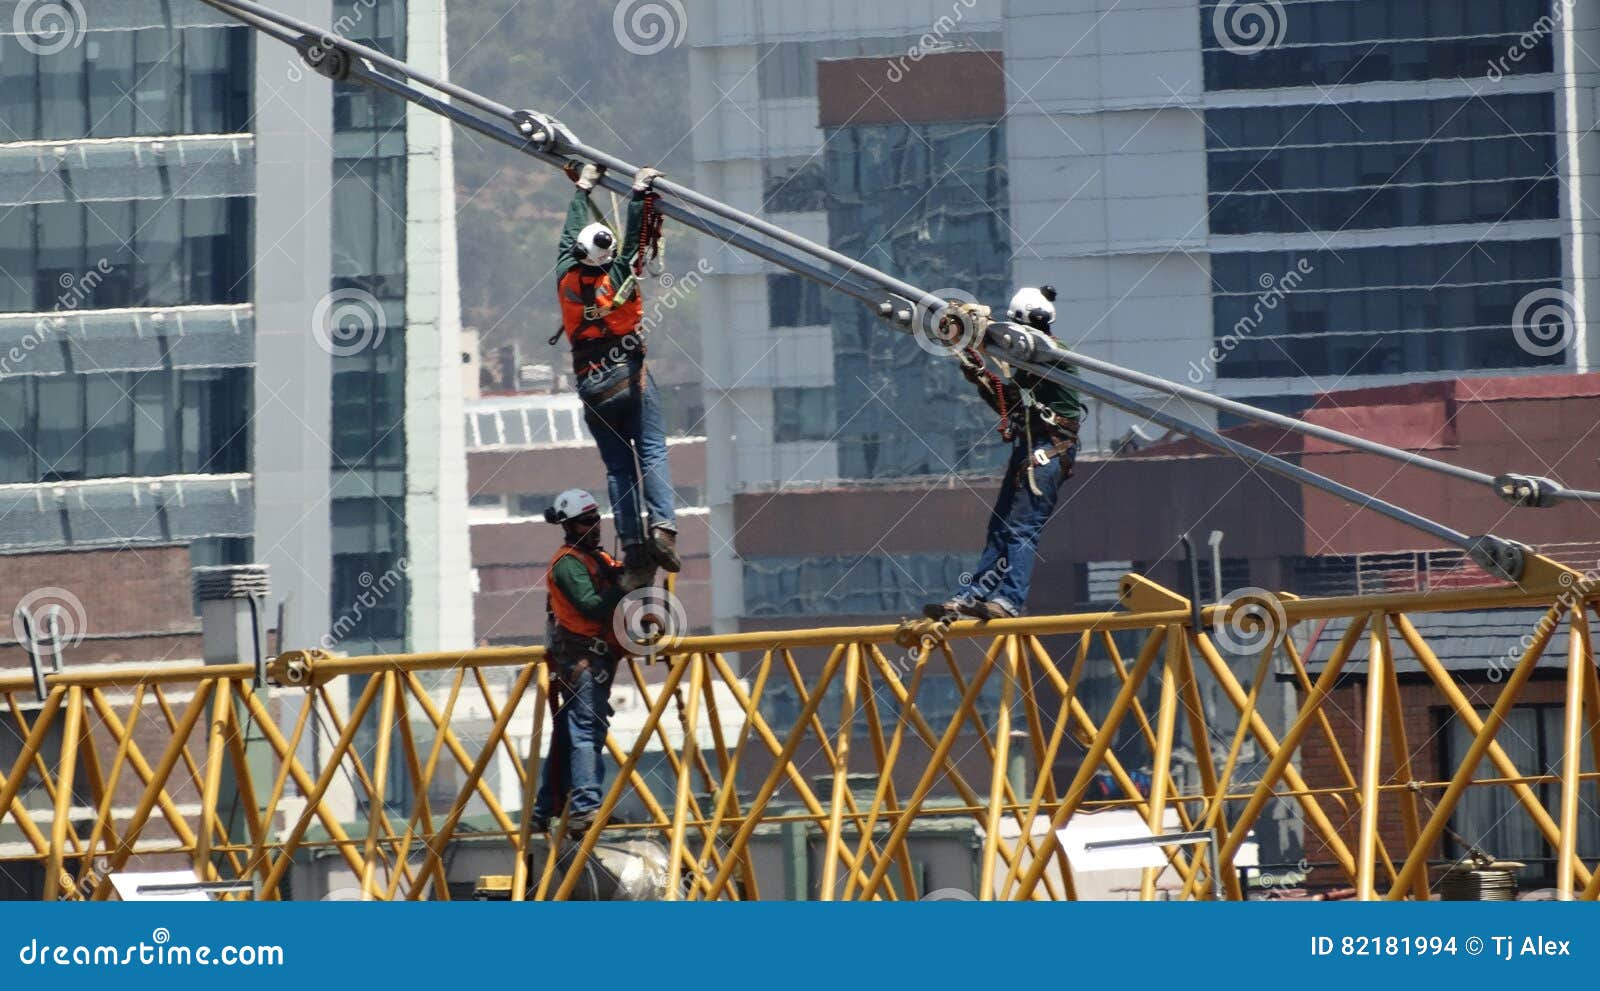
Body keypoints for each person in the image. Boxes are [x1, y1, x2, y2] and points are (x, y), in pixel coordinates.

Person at [925, 286, 1085, 620]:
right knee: (1000, 527)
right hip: (1029, 447)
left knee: (1023, 528)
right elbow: (1009, 404)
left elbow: (1030, 347)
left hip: (1049, 449)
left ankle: (1010, 600)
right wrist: (978, 371)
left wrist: (981, 334)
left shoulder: (1054, 353)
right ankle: (974, 593)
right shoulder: (1026, 365)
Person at [557, 161, 680, 590]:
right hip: (630, 376)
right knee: (652, 451)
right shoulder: (620, 273)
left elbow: (568, 235)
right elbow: (636, 240)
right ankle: (663, 528)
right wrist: (639, 190)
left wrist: (582, 191)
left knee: (619, 469)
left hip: (593, 385)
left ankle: (631, 548)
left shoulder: (566, 279)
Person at [532, 488, 627, 833]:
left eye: (596, 518)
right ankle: (585, 807)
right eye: (587, 521)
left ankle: (549, 809)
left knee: (573, 735)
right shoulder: (569, 564)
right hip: (582, 662)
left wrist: (634, 572)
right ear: (570, 526)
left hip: (595, 662)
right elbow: (592, 605)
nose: (595, 526)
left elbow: (622, 582)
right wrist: (621, 587)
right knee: (584, 731)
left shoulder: (595, 559)